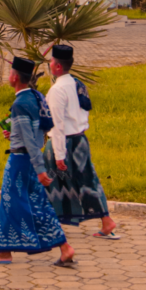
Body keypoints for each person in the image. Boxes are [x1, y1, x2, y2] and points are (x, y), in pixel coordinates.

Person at [0, 56, 75, 268]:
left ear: (15, 77)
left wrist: (40, 169)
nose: (9, 76)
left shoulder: (20, 103)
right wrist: (15, 134)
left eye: (10, 73)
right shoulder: (37, 97)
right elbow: (40, 131)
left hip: (20, 162)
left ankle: (3, 253)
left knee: (10, 203)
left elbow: (31, 143)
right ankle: (65, 247)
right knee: (38, 204)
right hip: (30, 159)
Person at [43, 44, 118, 240]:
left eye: (51, 61)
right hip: (80, 140)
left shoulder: (57, 90)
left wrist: (59, 155)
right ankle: (106, 221)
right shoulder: (78, 85)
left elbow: (57, 125)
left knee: (47, 180)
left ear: (57, 66)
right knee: (88, 180)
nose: (49, 64)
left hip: (63, 143)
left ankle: (46, 225)